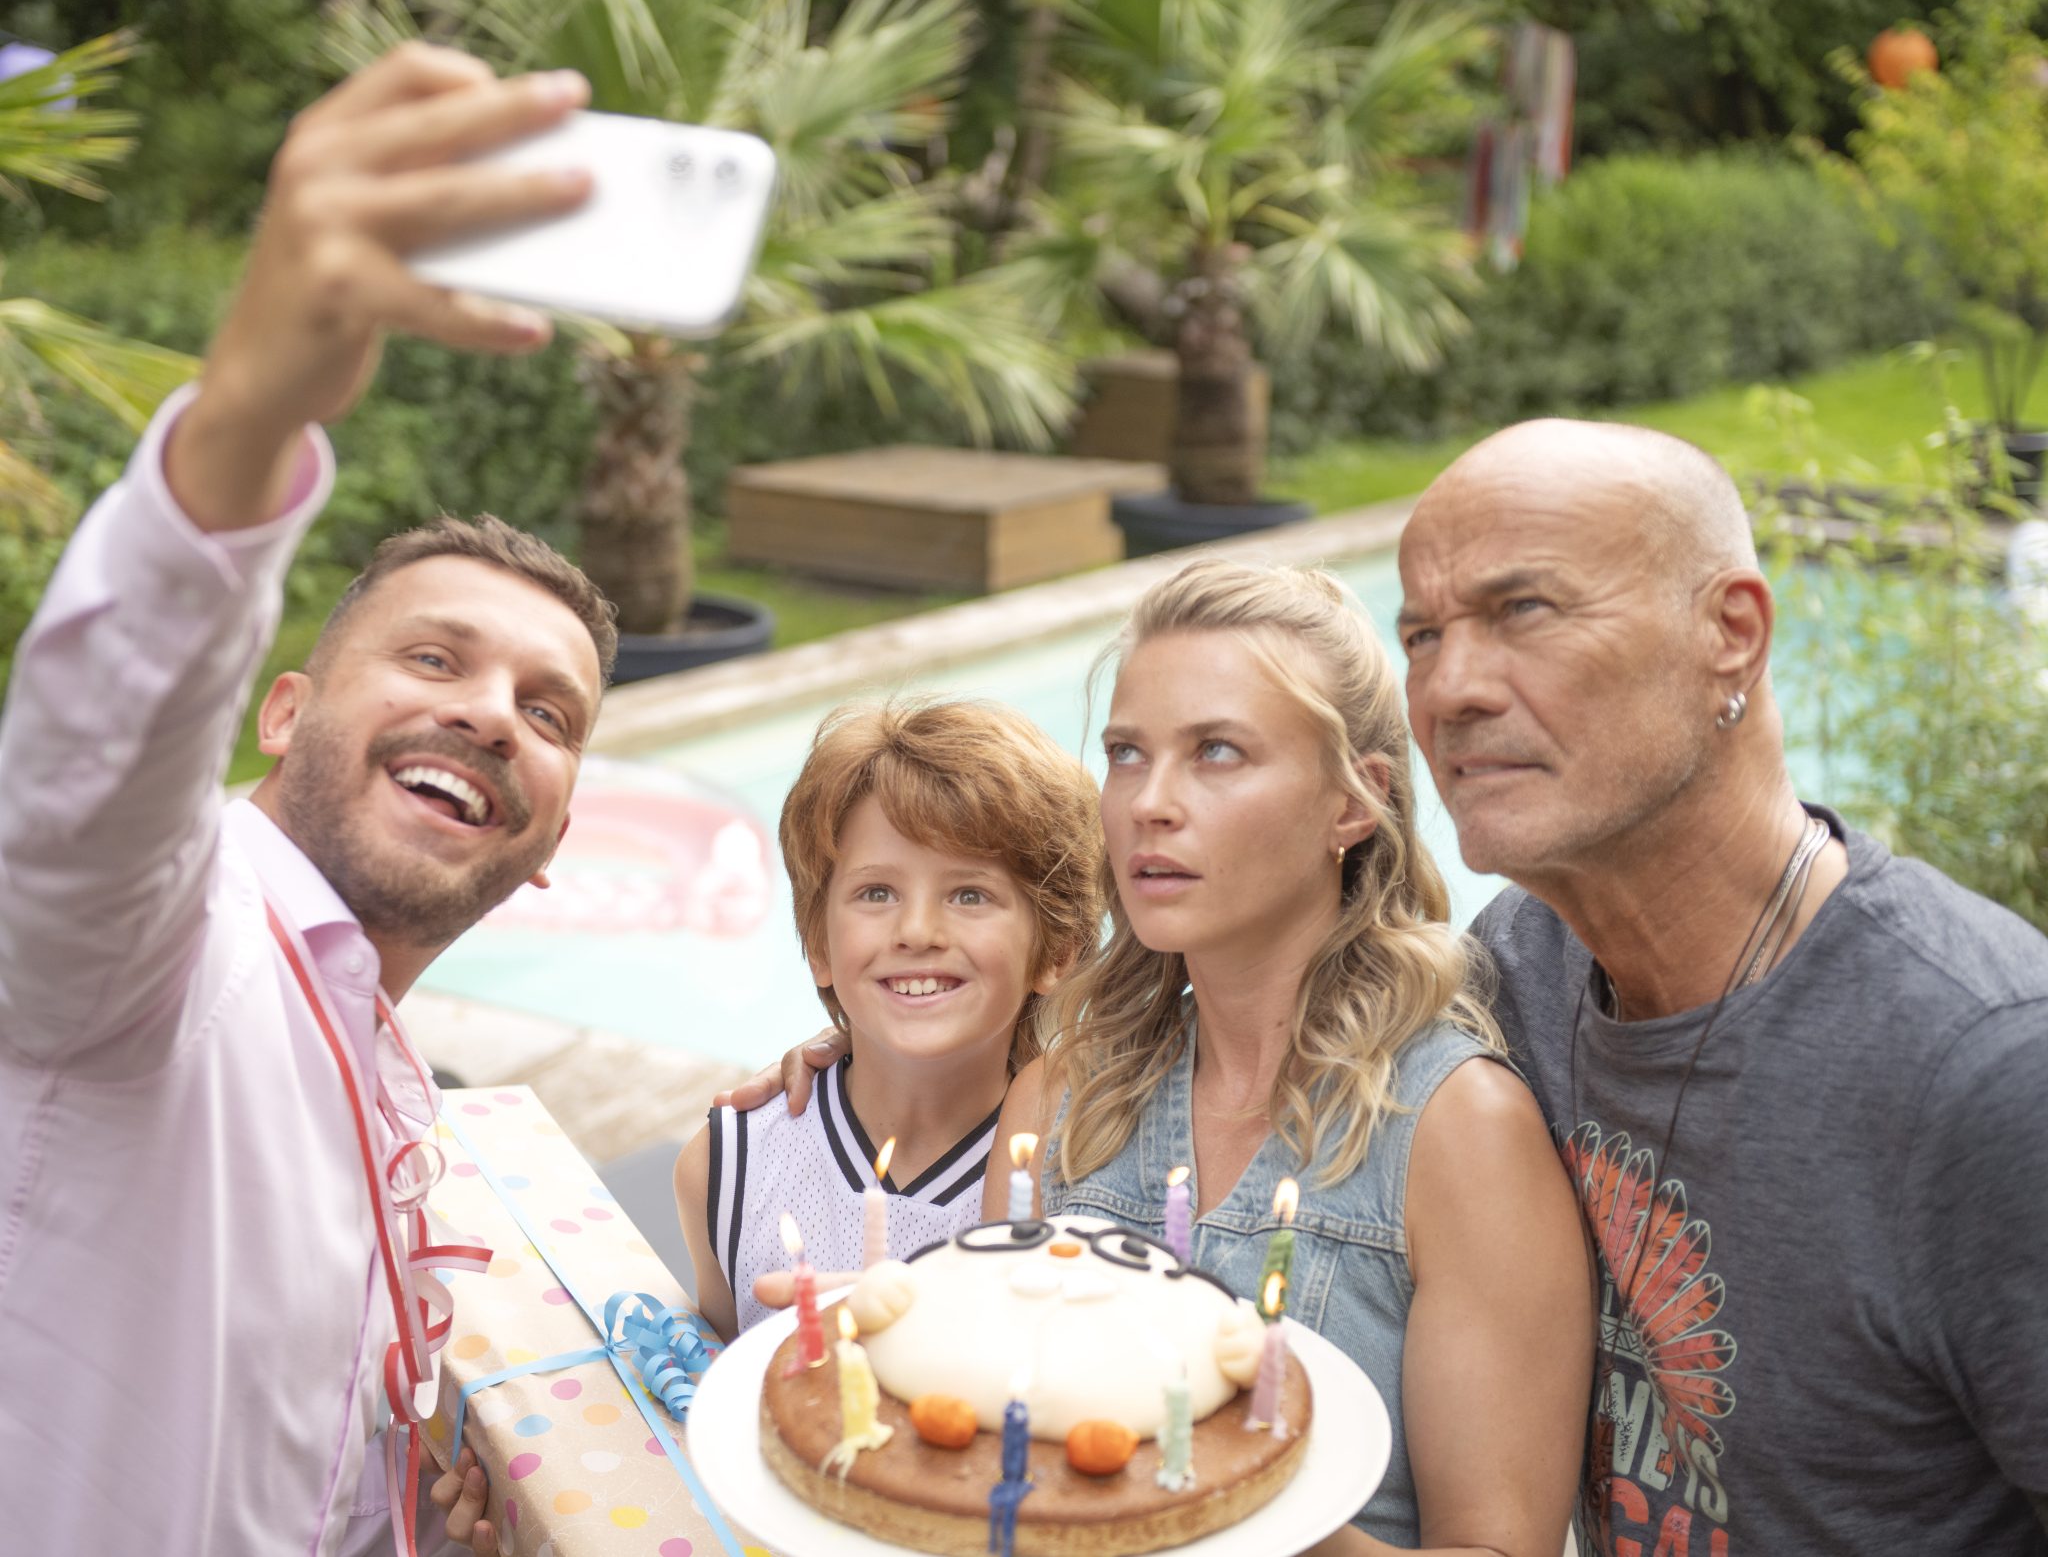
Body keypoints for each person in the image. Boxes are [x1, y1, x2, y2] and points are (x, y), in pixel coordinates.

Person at [0, 45, 608, 1557]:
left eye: (548, 709)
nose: (487, 709)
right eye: (432, 656)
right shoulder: (161, 956)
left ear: (550, 839)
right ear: (283, 710)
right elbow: (82, 803)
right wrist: (242, 432)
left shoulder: (379, 1059)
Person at [742, 562, 1596, 1554]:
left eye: (1217, 752)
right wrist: (910, 1348)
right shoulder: (1061, 1098)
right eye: (1126, 753)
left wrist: (1230, 1491)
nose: (1148, 801)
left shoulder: (1455, 1132)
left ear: (1353, 803)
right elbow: (993, 1491)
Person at [1396, 418, 2048, 1556]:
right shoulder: (1523, 969)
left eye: (1522, 611)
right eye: (1419, 633)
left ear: (1728, 635)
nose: (1447, 687)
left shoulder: (1985, 1072)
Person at [674, 700, 1101, 1340]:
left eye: (970, 894)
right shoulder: (727, 1163)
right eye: (877, 893)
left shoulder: (1080, 1176)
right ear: (819, 944)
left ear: (1058, 950)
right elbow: (718, 1400)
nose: (918, 931)